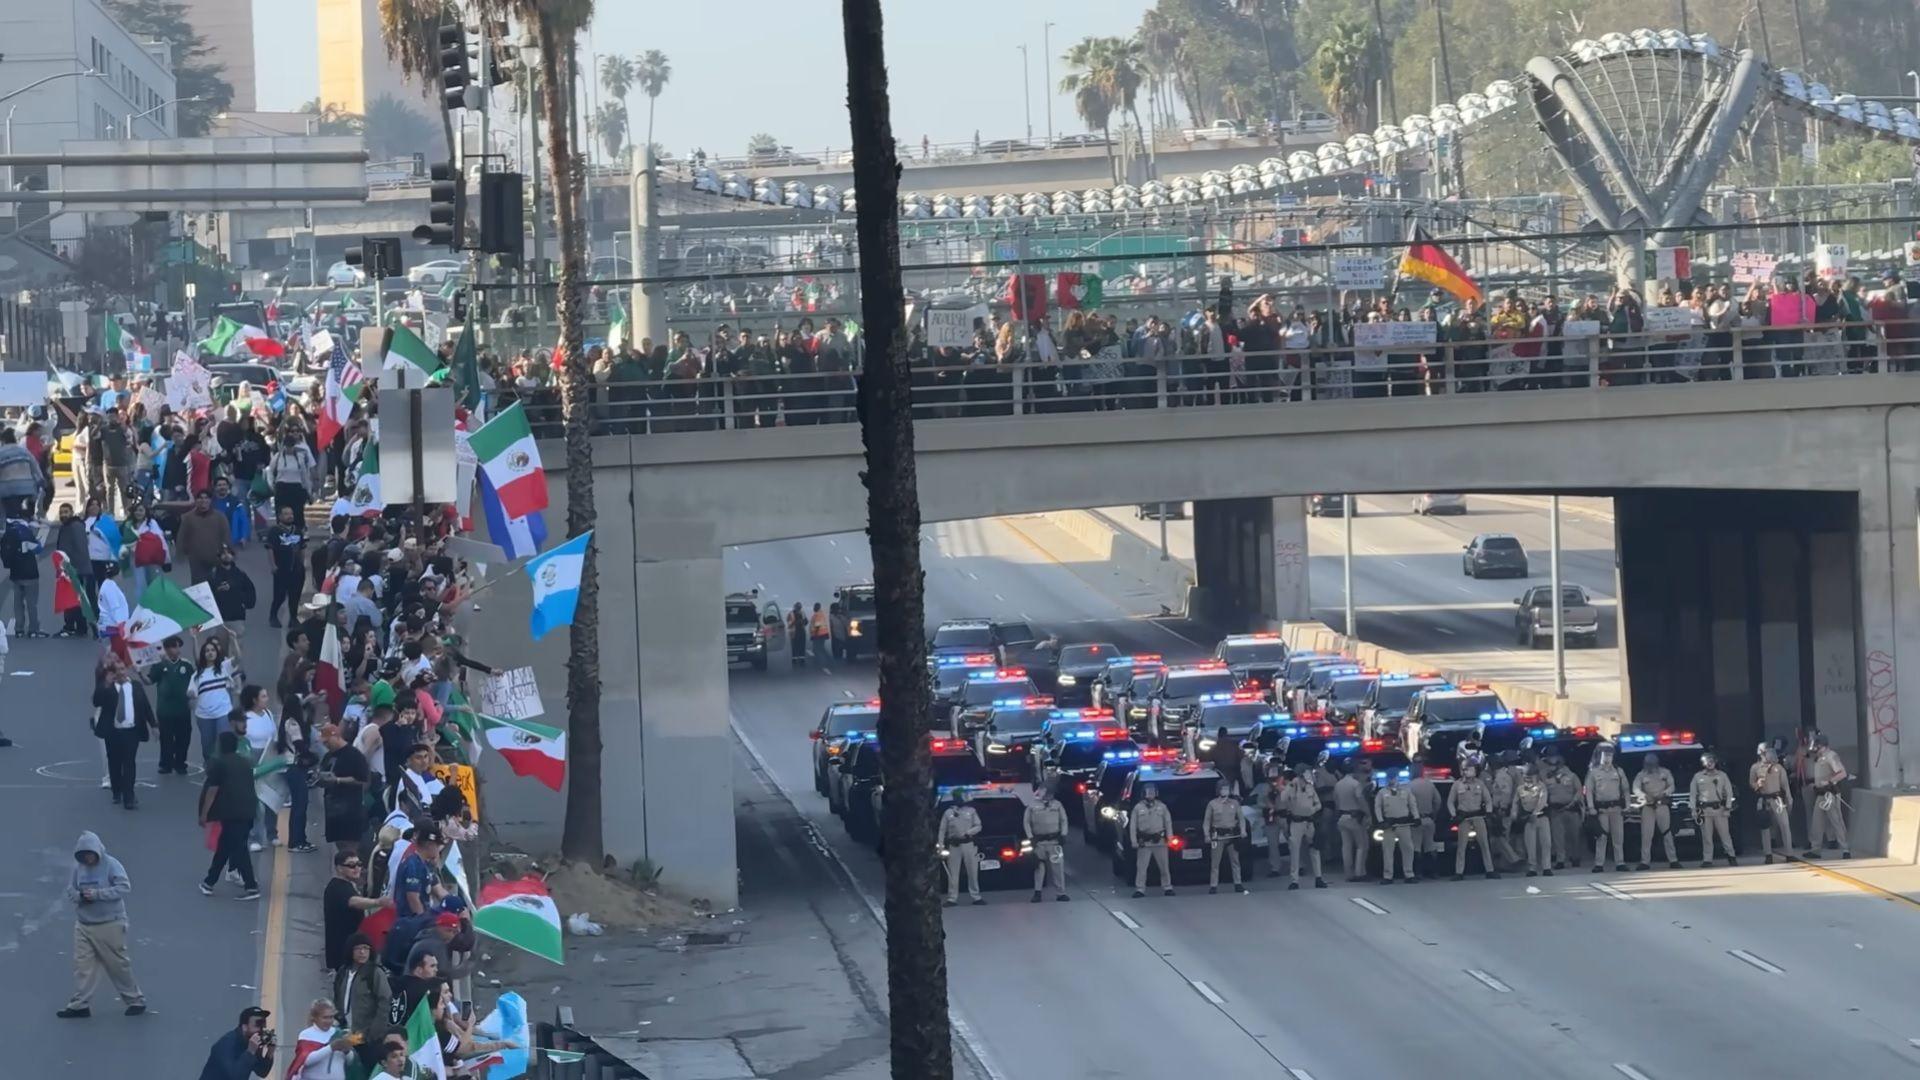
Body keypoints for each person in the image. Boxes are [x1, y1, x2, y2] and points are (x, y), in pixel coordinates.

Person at [55, 831, 146, 1018]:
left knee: (117, 965)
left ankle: (135, 1000)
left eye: (90, 854)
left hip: (109, 923)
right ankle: (80, 1004)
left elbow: (124, 887)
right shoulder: (78, 868)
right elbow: (70, 889)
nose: (87, 859)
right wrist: (79, 896)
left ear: (97, 851)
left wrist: (97, 894)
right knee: (83, 965)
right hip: (84, 924)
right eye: (83, 855)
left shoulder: (112, 864)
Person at [199, 731, 263, 900]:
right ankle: (209, 882)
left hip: (231, 812)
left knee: (238, 848)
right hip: (249, 810)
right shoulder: (245, 762)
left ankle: (251, 887)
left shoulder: (219, 764)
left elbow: (212, 790)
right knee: (225, 846)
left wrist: (205, 814)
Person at [93, 658, 155, 808]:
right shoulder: (107, 687)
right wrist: (106, 684)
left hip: (131, 731)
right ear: (112, 673)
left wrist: (154, 725)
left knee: (129, 763)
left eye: (122, 669)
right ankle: (117, 791)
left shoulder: (135, 686)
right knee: (114, 762)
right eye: (117, 670)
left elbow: (146, 706)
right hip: (113, 731)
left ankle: (129, 796)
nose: (121, 672)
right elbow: (96, 701)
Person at [333, 934, 393, 1068]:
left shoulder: (374, 973)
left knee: (366, 1070)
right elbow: (337, 997)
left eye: (366, 948)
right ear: (350, 951)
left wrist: (373, 1034)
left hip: (366, 1037)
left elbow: (385, 1002)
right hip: (345, 1032)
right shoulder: (343, 971)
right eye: (358, 949)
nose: (362, 952)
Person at [317, 722, 371, 857]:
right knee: (340, 845)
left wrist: (338, 780)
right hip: (333, 809)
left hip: (350, 809)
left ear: (336, 737)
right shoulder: (328, 756)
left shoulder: (354, 755)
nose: (326, 745)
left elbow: (363, 780)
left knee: (351, 848)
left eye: (328, 741)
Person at [1277, 766, 1327, 889]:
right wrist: (1290, 786)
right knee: (1294, 850)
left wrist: (1313, 810)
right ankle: (1294, 880)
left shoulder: (1310, 788)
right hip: (1296, 822)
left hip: (1309, 822)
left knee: (1314, 850)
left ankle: (1318, 877)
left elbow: (1318, 804)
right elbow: (1283, 798)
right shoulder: (1292, 787)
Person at [190, 638, 238, 765]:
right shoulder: (196, 675)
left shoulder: (224, 667)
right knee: (207, 746)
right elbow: (191, 692)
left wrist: (233, 639)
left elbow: (238, 658)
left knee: (223, 742)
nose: (210, 653)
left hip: (223, 712)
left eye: (212, 650)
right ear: (203, 654)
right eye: (207, 651)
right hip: (204, 715)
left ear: (217, 653)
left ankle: (224, 767)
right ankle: (210, 766)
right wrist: (194, 639)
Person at [1447, 758, 1497, 880]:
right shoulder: (1457, 784)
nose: (1468, 771)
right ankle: (1459, 872)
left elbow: (1488, 799)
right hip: (1463, 818)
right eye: (1466, 769)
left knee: (1484, 844)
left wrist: (1489, 812)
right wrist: (1454, 815)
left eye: (1471, 769)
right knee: (1461, 846)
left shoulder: (1480, 784)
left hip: (1478, 816)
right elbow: (1450, 802)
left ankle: (1490, 870)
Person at [1022, 777, 1070, 902]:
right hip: (1039, 842)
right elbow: (1026, 822)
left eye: (1050, 793)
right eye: (1046, 792)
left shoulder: (1057, 805)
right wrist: (1030, 837)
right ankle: (1037, 892)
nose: (1048, 795)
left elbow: (1064, 820)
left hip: (1054, 841)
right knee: (1039, 867)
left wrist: (1064, 835)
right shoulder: (1032, 805)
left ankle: (1061, 893)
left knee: (1058, 868)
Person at [1584, 741, 1629, 872]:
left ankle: (1620, 863)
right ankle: (1599, 864)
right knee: (1601, 837)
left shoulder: (1619, 771)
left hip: (1616, 809)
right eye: (1605, 755)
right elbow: (1589, 791)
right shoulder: (1593, 772)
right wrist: (1591, 807)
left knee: (1618, 837)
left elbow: (1625, 789)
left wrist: (1627, 805)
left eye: (1610, 755)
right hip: (1601, 810)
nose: (1607, 758)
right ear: (1599, 756)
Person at [1806, 731, 1851, 858]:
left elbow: (1842, 773)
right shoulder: (1819, 758)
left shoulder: (1831, 756)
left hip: (1830, 794)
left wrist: (1830, 781)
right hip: (1820, 794)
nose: (1815, 749)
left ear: (1822, 745)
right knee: (1817, 822)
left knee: (1836, 821)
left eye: (1817, 746)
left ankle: (1845, 848)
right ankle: (1815, 849)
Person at [197, 1005, 275, 1080]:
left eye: (263, 1025)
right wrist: (250, 1052)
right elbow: (235, 1077)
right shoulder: (226, 1044)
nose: (262, 1029)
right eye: (258, 1024)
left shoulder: (251, 1043)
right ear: (244, 1027)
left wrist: (269, 1054)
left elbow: (262, 1072)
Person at [1632, 751, 1681, 870]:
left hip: (1662, 805)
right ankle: (1645, 862)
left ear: (1656, 763)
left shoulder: (1665, 773)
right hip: (1648, 807)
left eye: (1651, 763)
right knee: (1646, 835)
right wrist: (1643, 795)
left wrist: (1664, 793)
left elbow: (1672, 786)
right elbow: (1635, 788)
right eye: (1647, 763)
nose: (1649, 766)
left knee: (1667, 833)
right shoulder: (1641, 775)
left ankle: (1673, 860)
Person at [937, 789, 984, 906]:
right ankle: (952, 898)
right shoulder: (948, 813)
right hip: (954, 845)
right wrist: (941, 847)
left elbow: (978, 825)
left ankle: (976, 896)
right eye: (958, 797)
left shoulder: (971, 811)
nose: (960, 799)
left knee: (973, 871)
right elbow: (942, 830)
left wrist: (969, 832)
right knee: (953, 873)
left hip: (968, 844)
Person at [1689, 751, 1737, 867]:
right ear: (1703, 763)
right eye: (1707, 762)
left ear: (1715, 762)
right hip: (1705, 811)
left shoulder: (1722, 775)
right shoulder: (1697, 777)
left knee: (1725, 835)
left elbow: (1729, 792)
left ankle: (1731, 856)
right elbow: (1693, 794)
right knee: (1706, 837)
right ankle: (1707, 860)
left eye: (1712, 761)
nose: (1710, 764)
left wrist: (1728, 808)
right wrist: (1693, 810)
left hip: (1719, 809)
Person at [288, 998, 355, 1080]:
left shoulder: (339, 1033)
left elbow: (350, 1062)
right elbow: (305, 1060)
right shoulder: (307, 1034)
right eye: (325, 1017)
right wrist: (331, 1047)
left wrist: (347, 1051)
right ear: (314, 1017)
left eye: (331, 1017)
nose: (329, 1021)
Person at [1750, 741, 1795, 864]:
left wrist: (1789, 798)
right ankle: (1768, 854)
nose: (1768, 754)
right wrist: (1756, 785)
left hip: (1777, 799)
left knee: (1785, 826)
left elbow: (1785, 785)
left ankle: (1789, 853)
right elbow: (1751, 782)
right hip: (1764, 799)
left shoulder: (1778, 767)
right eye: (1765, 752)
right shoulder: (1755, 767)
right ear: (1761, 753)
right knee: (1765, 828)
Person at [178, 488, 233, 584]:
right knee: (199, 587)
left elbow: (226, 535)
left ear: (210, 500)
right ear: (196, 501)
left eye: (206, 498)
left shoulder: (220, 517)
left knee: (218, 584)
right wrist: (180, 552)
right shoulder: (188, 517)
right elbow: (182, 536)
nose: (203, 501)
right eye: (200, 498)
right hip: (196, 558)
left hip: (216, 557)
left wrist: (228, 552)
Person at [1129, 781, 1175, 897]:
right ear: (1143, 793)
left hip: (1159, 841)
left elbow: (1168, 823)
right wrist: (1133, 840)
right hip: (1144, 842)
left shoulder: (1162, 807)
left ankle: (1167, 887)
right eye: (1148, 792)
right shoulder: (1138, 808)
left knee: (1164, 867)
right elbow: (1133, 825)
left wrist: (1170, 838)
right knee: (1141, 868)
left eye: (1153, 792)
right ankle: (1140, 889)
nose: (1150, 794)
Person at [1373, 770, 1419, 883]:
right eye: (1390, 778)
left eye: (1394, 777)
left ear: (1397, 778)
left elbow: (1412, 804)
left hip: (1403, 824)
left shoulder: (1406, 790)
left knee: (1408, 849)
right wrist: (1381, 821)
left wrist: (1416, 817)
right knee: (1388, 851)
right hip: (1389, 825)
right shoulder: (1382, 792)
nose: (1392, 780)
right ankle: (1388, 876)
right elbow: (1377, 807)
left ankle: (1409, 874)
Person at [267, 504, 309, 627]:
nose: (289, 516)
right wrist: (273, 565)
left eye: (291, 514)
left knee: (295, 595)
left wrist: (302, 564)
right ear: (280, 516)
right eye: (286, 514)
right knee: (279, 596)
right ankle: (273, 616)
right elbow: (270, 549)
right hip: (281, 569)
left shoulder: (297, 530)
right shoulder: (275, 531)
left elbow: (302, 548)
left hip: (296, 570)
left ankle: (293, 618)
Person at [1541, 751, 1584, 871]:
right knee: (1557, 837)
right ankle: (1560, 860)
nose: (1549, 766)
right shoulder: (1546, 777)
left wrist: (1573, 802)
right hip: (1555, 810)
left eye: (1551, 763)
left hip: (1571, 809)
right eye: (1548, 763)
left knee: (1574, 835)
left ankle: (1575, 857)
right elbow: (1543, 792)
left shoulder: (1571, 776)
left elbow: (1579, 790)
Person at [1202, 779, 1245, 894]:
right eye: (1223, 789)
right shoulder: (1212, 804)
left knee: (1235, 860)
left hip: (1232, 835)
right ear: (1218, 790)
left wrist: (1243, 830)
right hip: (1217, 836)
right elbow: (1207, 821)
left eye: (1227, 788)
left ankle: (1238, 883)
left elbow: (1241, 818)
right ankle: (1213, 885)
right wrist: (1207, 835)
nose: (1225, 791)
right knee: (1215, 862)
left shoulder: (1235, 803)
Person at [1333, 761, 1372, 881]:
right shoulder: (1355, 784)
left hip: (1342, 817)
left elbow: (1336, 802)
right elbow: (1360, 799)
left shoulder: (1338, 784)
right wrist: (1368, 814)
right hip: (1355, 817)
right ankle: (1360, 873)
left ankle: (1348, 873)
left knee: (1346, 846)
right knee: (1362, 845)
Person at [1512, 766, 1552, 876]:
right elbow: (1515, 802)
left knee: (1546, 843)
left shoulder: (1541, 787)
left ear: (1537, 776)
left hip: (1541, 817)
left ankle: (1546, 867)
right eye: (1526, 777)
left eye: (1531, 777)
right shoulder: (1520, 789)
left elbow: (1542, 801)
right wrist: (1514, 814)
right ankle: (1532, 868)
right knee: (1530, 845)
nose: (1528, 779)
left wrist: (1535, 812)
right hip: (1528, 819)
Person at [1407, 760, 1443, 879]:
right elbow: (1438, 801)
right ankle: (1433, 871)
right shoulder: (1429, 784)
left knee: (1416, 847)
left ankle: (1418, 872)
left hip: (1416, 820)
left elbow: (1407, 803)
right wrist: (1434, 813)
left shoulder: (1409, 786)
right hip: (1429, 819)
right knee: (1430, 845)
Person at [209, 545, 257, 628]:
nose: (227, 555)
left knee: (237, 640)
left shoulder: (240, 574)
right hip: (219, 618)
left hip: (237, 616)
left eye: (229, 553)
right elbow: (207, 593)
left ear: (233, 556)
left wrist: (246, 603)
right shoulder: (213, 575)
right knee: (218, 640)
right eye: (223, 554)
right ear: (219, 557)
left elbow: (250, 589)